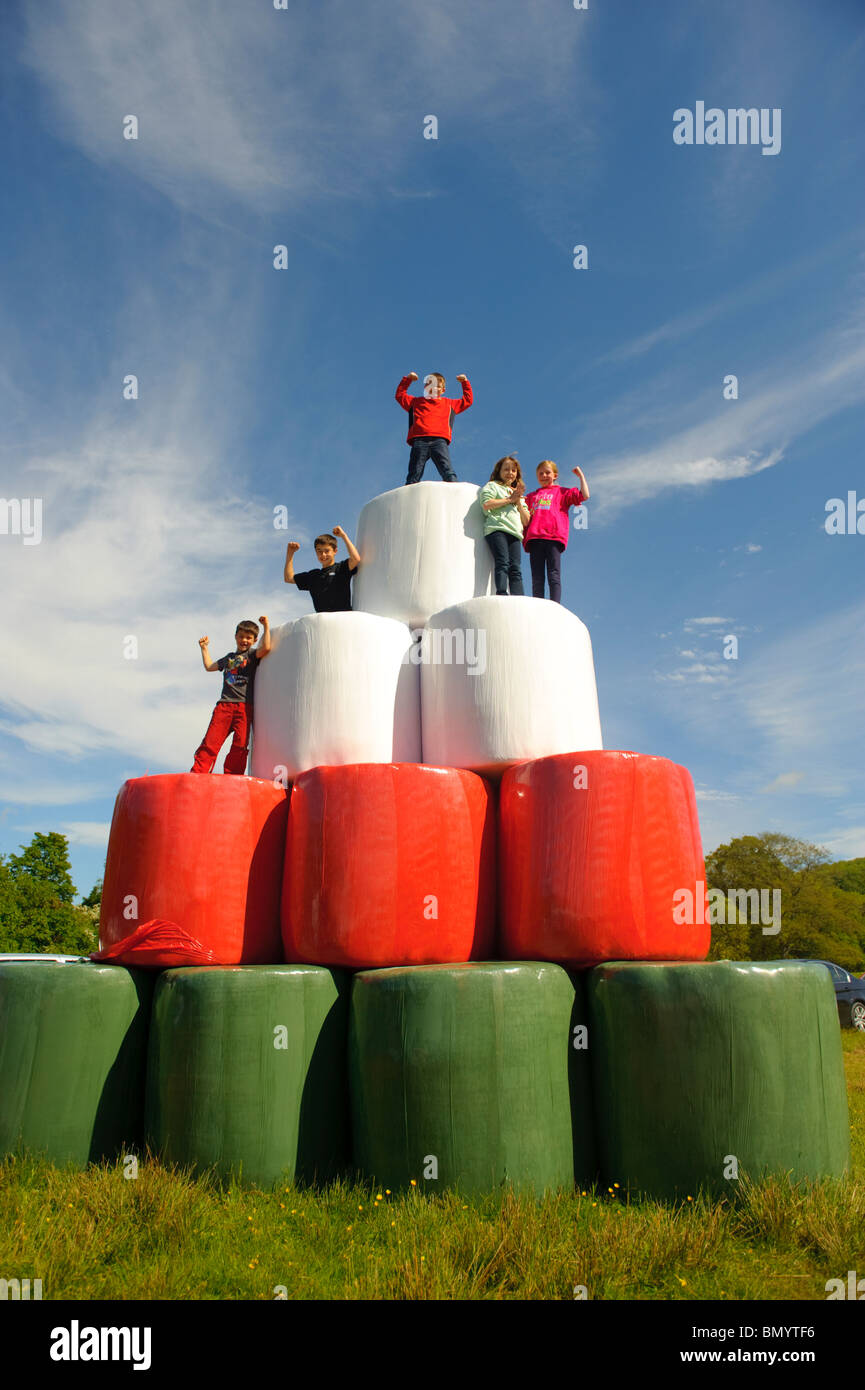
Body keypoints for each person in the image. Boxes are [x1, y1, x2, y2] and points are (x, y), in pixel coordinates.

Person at [192, 617, 272, 774]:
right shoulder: (229, 658)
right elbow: (209, 666)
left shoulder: (252, 655)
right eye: (241, 636)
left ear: (255, 640)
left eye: (249, 638)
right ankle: (198, 773)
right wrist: (204, 649)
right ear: (236, 636)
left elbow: (267, 648)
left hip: (244, 707)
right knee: (211, 742)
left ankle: (232, 776)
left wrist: (266, 626)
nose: (244, 640)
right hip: (224, 706)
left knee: (240, 745)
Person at [523, 461, 590, 603]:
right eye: (540, 473)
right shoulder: (531, 496)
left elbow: (585, 495)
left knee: (553, 574)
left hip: (553, 538)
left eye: (547, 472)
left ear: (555, 475)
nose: (544, 475)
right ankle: (538, 605)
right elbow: (521, 510)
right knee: (537, 577)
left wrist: (581, 476)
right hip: (535, 538)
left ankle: (555, 606)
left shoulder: (562, 492)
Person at [395, 370, 472, 484]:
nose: (432, 387)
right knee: (414, 472)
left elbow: (467, 400)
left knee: (447, 470)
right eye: (428, 384)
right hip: (419, 440)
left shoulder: (449, 404)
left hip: (439, 441)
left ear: (443, 390)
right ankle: (409, 492)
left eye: (436, 386)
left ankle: (454, 488)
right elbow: (400, 395)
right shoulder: (416, 402)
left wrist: (465, 382)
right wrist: (408, 379)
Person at [479, 455, 530, 595]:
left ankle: (518, 598)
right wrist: (509, 499)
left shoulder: (519, 496)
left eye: (513, 470)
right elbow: (486, 504)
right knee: (503, 562)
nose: (510, 473)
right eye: (506, 469)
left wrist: (518, 501)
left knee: (516, 568)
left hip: (515, 533)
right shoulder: (492, 486)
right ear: (499, 471)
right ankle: (501, 593)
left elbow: (526, 520)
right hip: (497, 529)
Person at [283, 526, 360, 611]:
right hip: (322, 622)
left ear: (335, 551)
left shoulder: (341, 568)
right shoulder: (313, 576)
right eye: (319, 551)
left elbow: (356, 559)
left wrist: (343, 536)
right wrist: (290, 553)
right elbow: (288, 578)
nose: (323, 555)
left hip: (343, 620)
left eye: (327, 551)